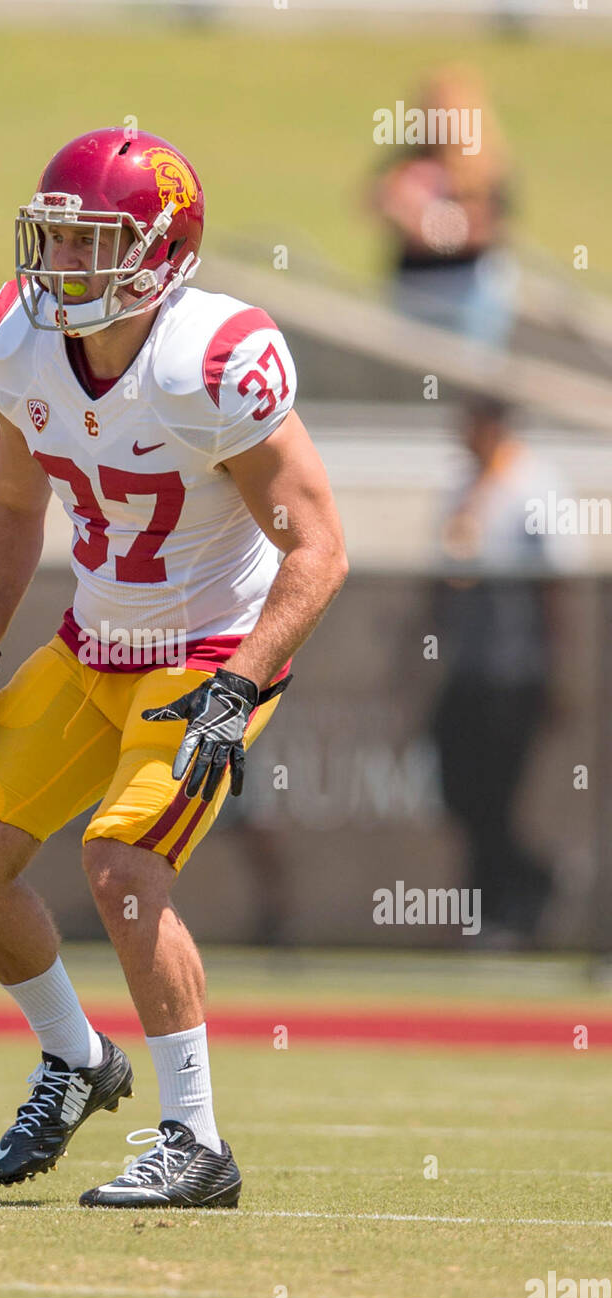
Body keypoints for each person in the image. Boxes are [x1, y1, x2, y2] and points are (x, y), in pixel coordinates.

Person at [0, 129, 348, 1209]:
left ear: (162, 254)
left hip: (210, 649)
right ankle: (76, 1059)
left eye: (90, 242)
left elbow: (321, 549)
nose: (62, 263)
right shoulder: (20, 343)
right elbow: (15, 504)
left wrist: (242, 682)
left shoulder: (208, 364)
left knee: (123, 868)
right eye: (57, 237)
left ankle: (196, 1141)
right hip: (93, 642)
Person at [430, 397, 576, 945]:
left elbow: (557, 588)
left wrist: (559, 671)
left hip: (516, 671)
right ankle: (511, 893)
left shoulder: (536, 485)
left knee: (495, 794)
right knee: (457, 788)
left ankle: (508, 907)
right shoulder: (460, 484)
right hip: (466, 669)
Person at [369, 68, 517, 348]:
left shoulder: (485, 166)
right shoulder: (412, 159)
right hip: (415, 285)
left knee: (470, 376)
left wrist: (428, 225)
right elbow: (373, 201)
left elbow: (491, 228)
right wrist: (396, 203)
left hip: (466, 288)